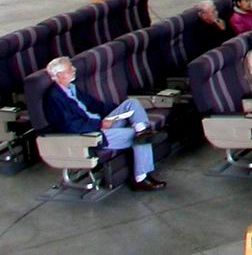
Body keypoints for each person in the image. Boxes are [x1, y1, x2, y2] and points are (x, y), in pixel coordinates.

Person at [42, 56, 165, 191]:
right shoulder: (54, 98)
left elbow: (95, 105)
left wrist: (114, 112)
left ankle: (142, 131)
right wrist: (99, 125)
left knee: (132, 104)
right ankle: (140, 179)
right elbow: (70, 126)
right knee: (135, 135)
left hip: (101, 123)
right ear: (60, 75)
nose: (74, 69)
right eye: (70, 68)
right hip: (93, 134)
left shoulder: (71, 88)